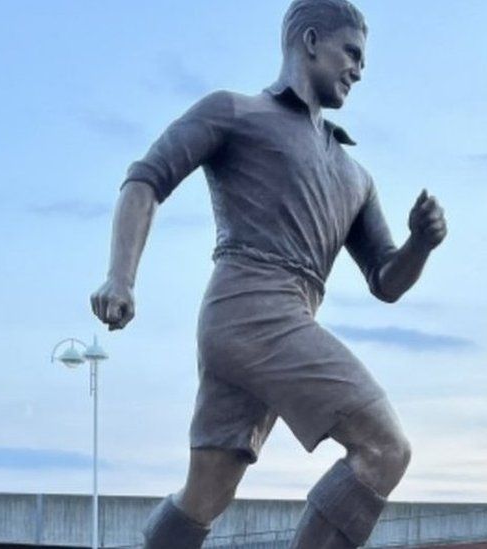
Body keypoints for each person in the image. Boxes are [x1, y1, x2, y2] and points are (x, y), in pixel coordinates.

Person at [90, 1, 447, 547]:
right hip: (252, 305)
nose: (360, 68)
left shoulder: (355, 175)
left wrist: (420, 244)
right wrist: (121, 277)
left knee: (205, 495)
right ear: (309, 42)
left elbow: (385, 280)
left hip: (266, 320)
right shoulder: (236, 112)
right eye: (351, 52)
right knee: (384, 448)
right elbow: (146, 179)